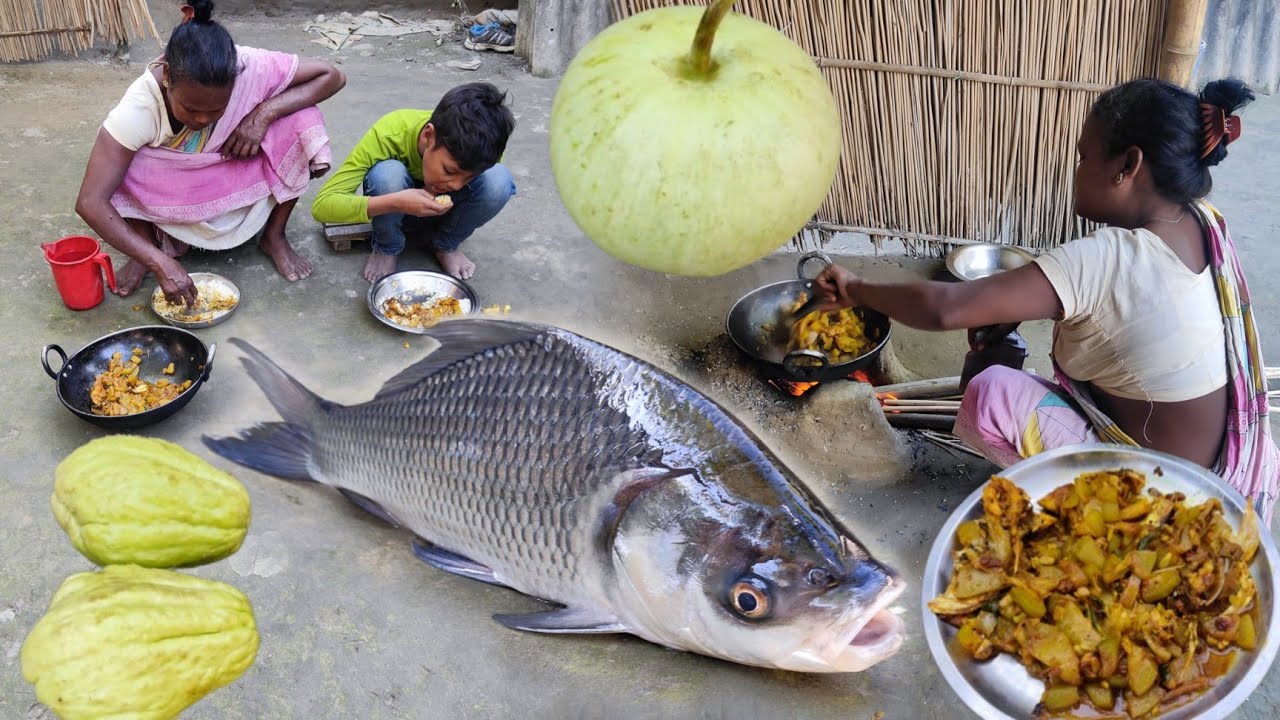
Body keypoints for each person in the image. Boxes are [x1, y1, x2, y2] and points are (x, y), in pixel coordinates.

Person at [813, 78, 1279, 523]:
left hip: (1167, 504)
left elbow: (944, 309)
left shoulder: (1109, 259)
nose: (1076, 170)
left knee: (990, 394)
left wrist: (854, 288)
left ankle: (1083, 521)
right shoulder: (1204, 221)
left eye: (1084, 156)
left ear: (1127, 166)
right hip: (1236, 473)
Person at [75, 1, 345, 306]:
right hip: (172, 185)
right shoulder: (138, 107)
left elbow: (332, 76)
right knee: (122, 161)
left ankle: (274, 236)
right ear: (167, 77)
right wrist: (157, 262)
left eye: (217, 109)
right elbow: (89, 201)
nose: (203, 119)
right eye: (190, 109)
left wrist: (263, 115)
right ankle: (146, 248)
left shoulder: (245, 65)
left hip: (232, 164)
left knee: (301, 118)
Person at [310, 83, 517, 283]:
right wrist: (395, 202)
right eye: (449, 170)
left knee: (499, 181)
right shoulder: (390, 132)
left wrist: (463, 179)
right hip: (391, 211)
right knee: (387, 174)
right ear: (428, 135)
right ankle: (386, 246)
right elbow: (322, 206)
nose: (455, 185)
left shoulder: (484, 147)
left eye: (468, 177)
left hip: (445, 214)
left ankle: (445, 245)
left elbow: (484, 183)